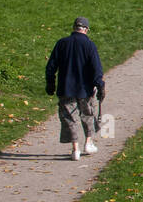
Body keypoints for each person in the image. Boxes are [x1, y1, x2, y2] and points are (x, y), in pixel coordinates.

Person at [45, 16, 105, 161]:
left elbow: (51, 67)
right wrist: (100, 86)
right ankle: (88, 143)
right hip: (85, 89)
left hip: (65, 88)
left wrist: (50, 83)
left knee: (69, 118)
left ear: (74, 28)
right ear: (86, 29)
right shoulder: (90, 45)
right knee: (87, 115)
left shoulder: (62, 44)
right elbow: (97, 69)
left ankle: (75, 149)